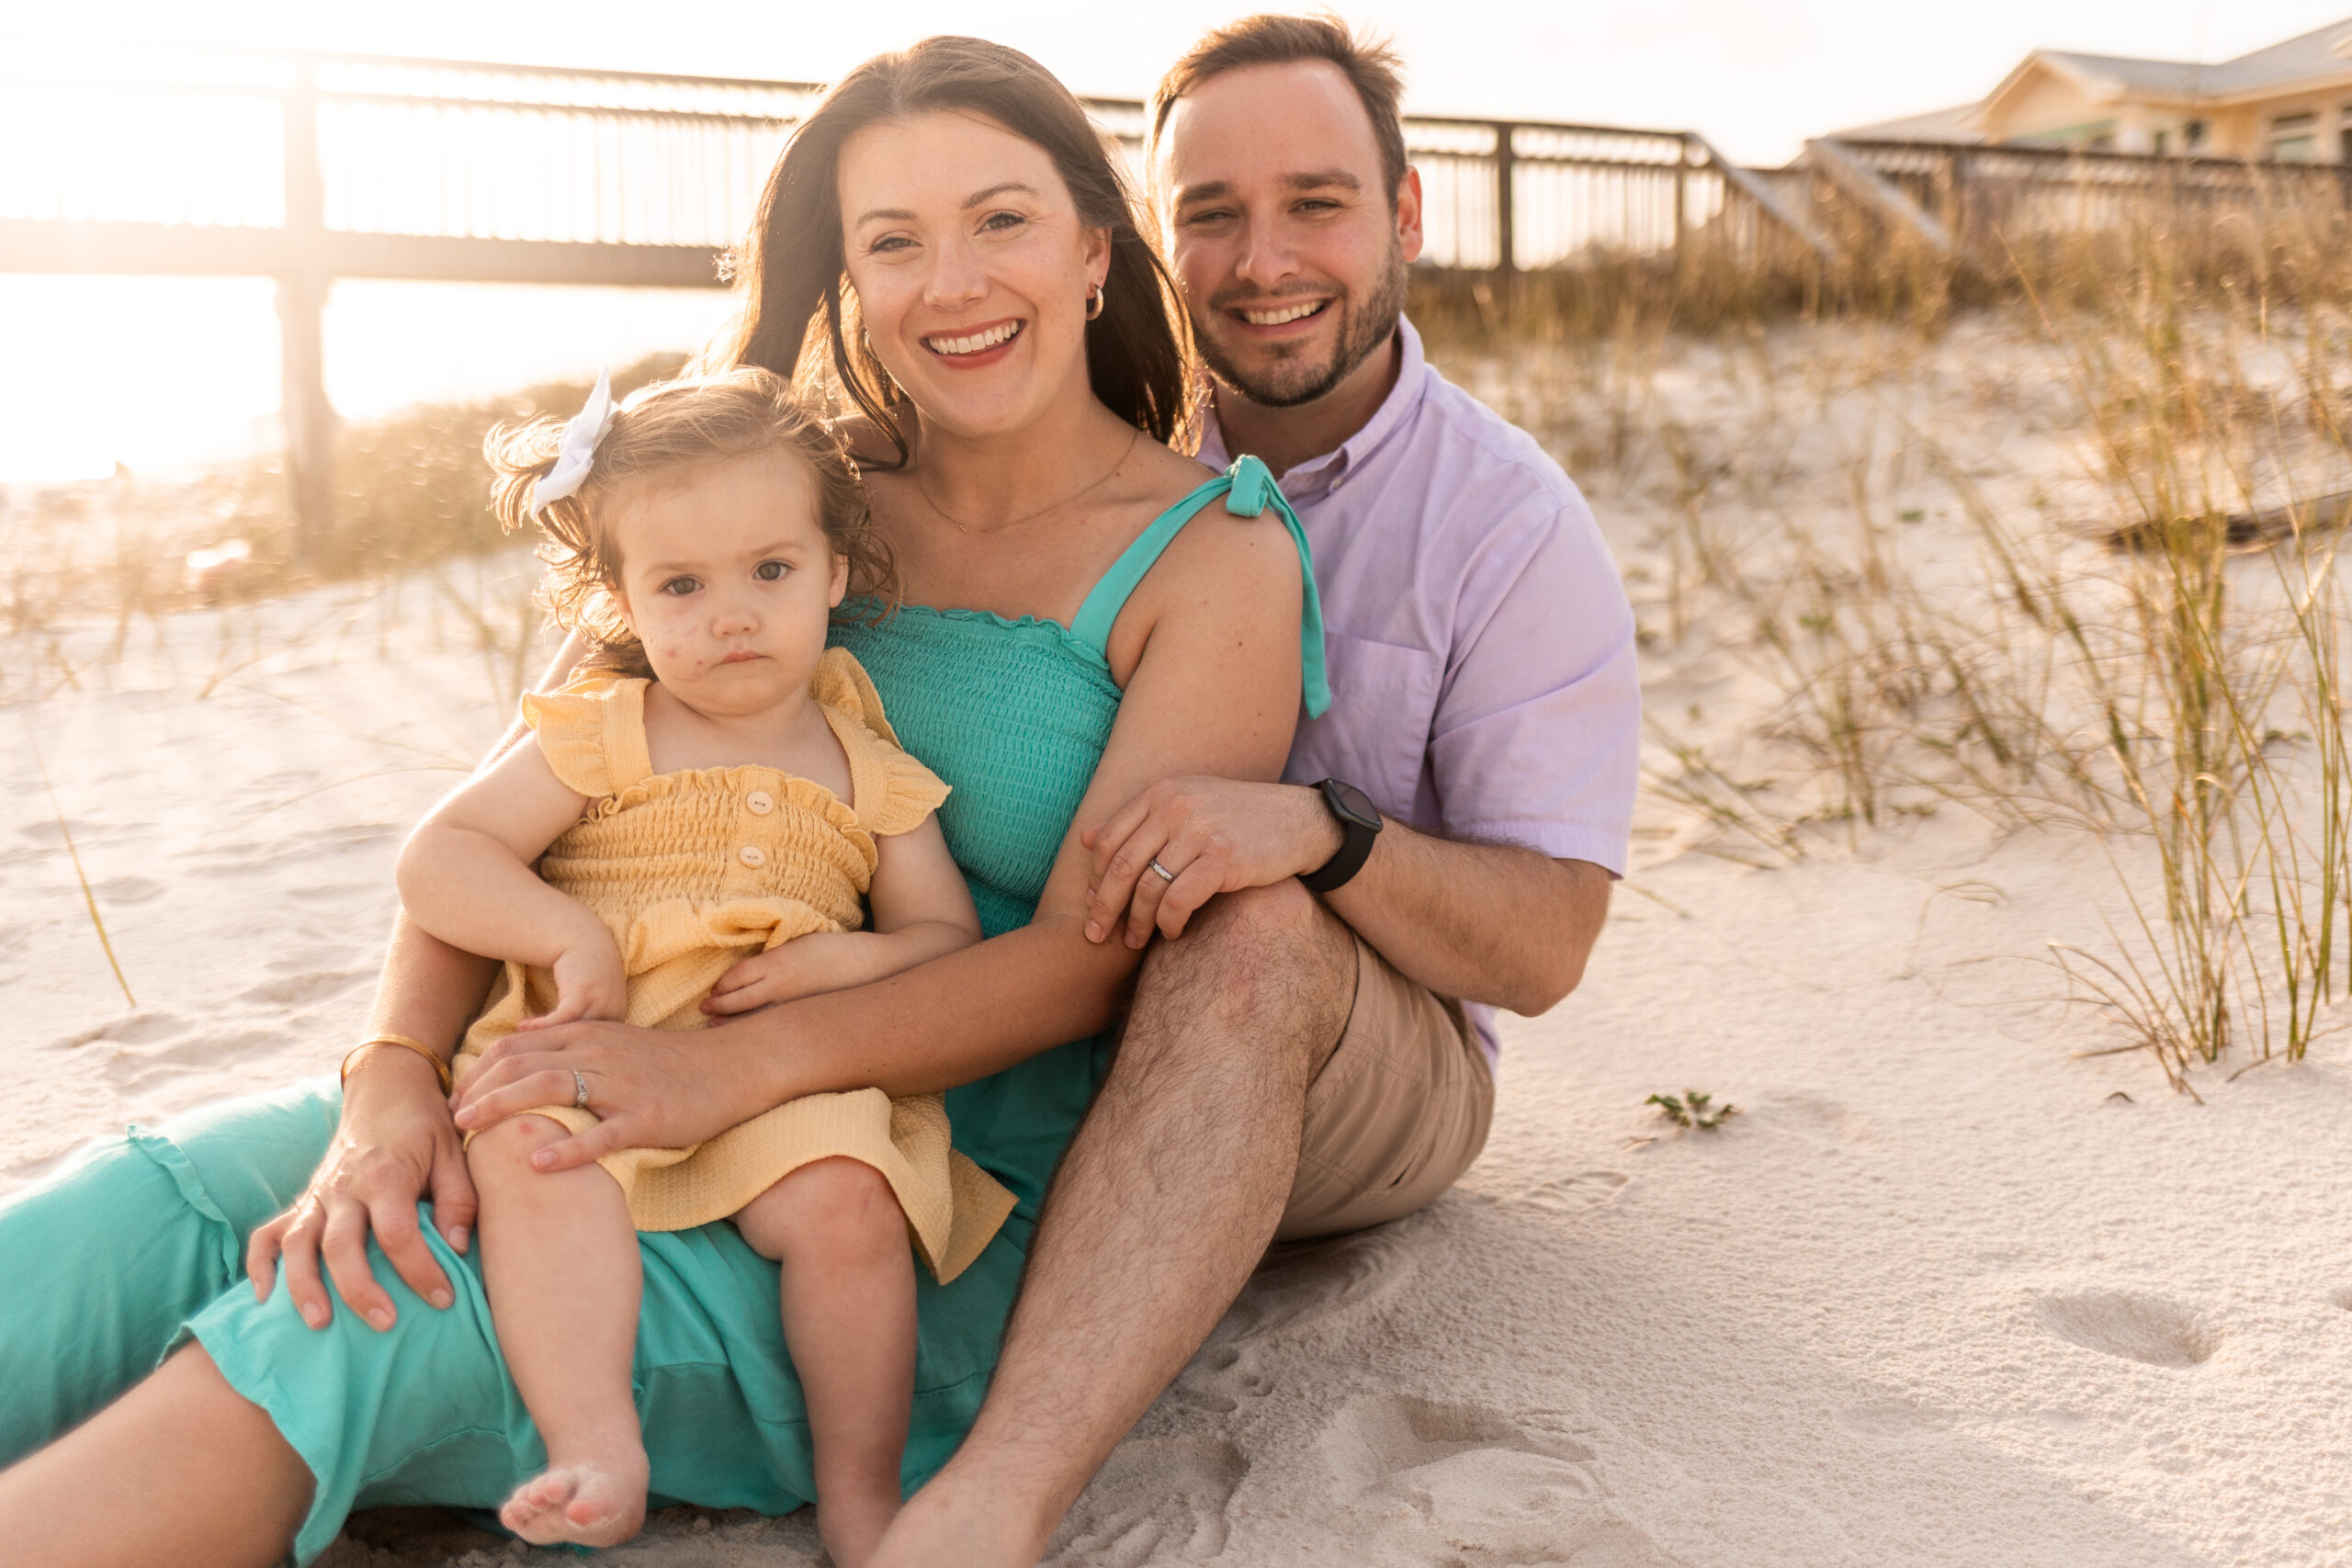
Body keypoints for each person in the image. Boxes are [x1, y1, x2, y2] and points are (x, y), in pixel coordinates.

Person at [0, 38, 1323, 1566]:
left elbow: (1092, 958)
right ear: (848, 275)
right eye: (894, 240)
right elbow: (522, 797)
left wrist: (716, 1079)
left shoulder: (1213, 554)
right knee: (167, 1205)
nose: (950, 281)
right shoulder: (753, 492)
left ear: (1096, 248)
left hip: (885, 1199)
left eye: (1001, 220)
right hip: (588, 1063)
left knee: (352, 1311)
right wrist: (385, 1085)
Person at [866, 17, 1639, 1564]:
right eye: (1210, 212)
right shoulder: (1077, 440)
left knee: (1252, 934)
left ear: (1406, 217)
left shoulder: (1505, 527)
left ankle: (994, 1502)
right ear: (1147, 241)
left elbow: (1545, 951)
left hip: (1364, 1059)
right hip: (1045, 997)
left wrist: (1327, 835)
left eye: (1317, 202)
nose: (1262, 257)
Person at [397, 367, 1014, 1561]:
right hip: (594, 1048)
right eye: (680, 584)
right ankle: (595, 1446)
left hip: (776, 1084)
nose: (730, 615)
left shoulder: (865, 763)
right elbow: (444, 857)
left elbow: (947, 942)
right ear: (620, 601)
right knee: (529, 1150)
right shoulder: (603, 729)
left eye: (770, 573)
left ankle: (861, 1494)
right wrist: (565, 932)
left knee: (852, 1204)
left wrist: (847, 965)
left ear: (835, 571)